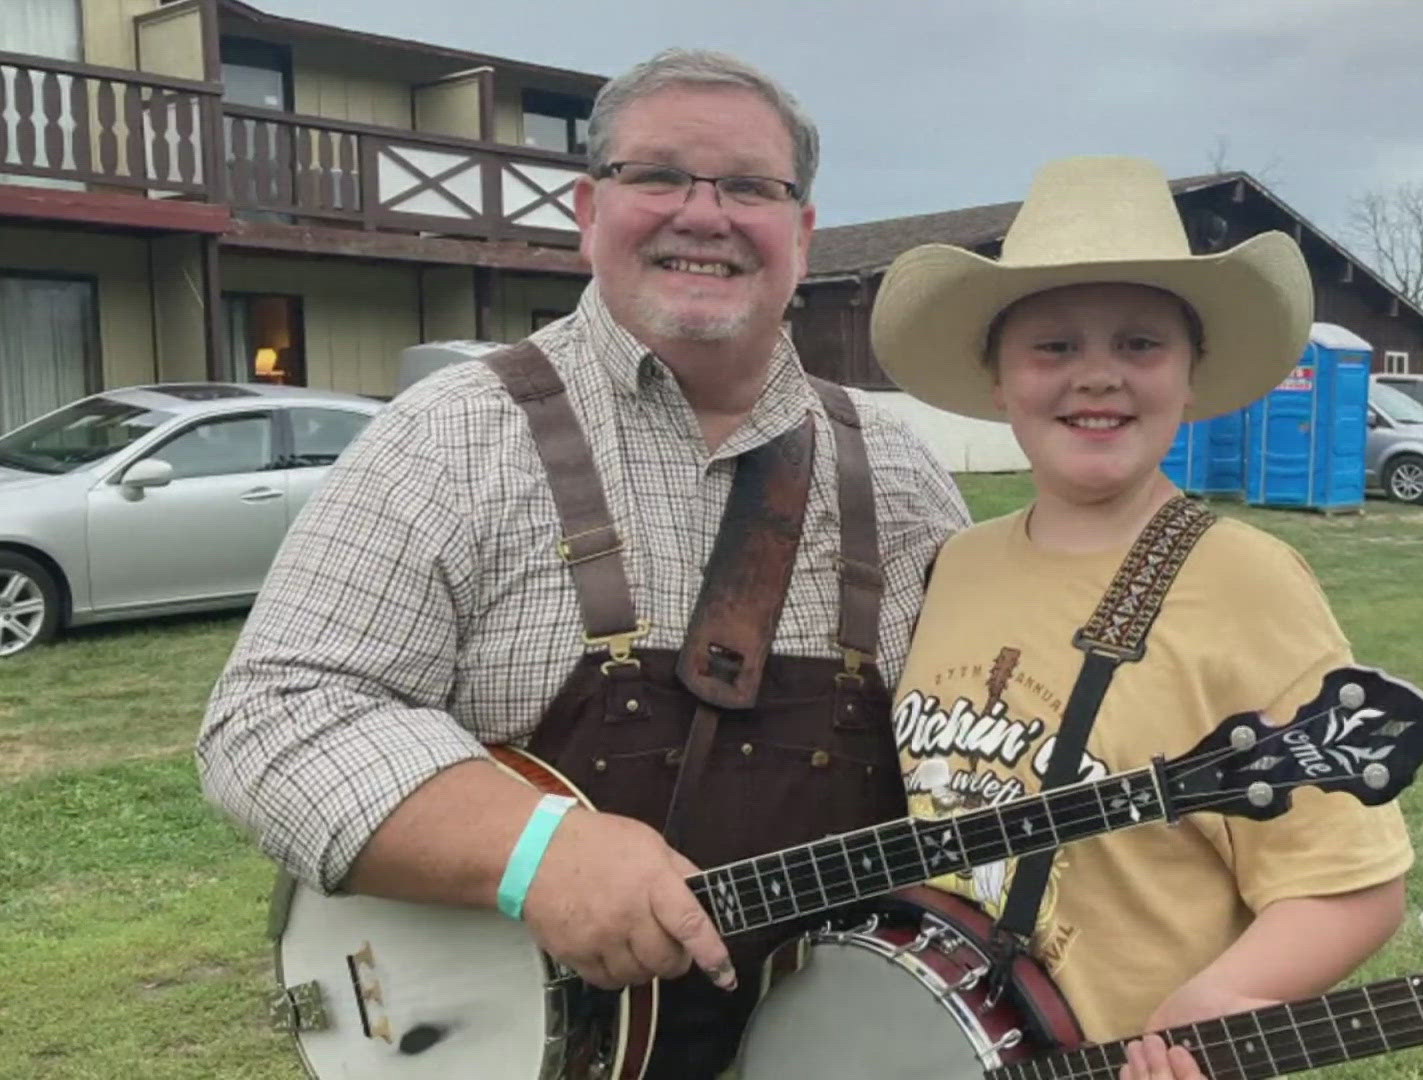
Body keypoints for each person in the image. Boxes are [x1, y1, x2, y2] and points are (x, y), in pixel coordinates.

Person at [198, 48, 968, 1078]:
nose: (704, 214)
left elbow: (987, 752)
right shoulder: (450, 437)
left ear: (803, 231)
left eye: (750, 187)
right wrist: (537, 850)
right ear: (589, 209)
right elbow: (274, 716)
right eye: (659, 175)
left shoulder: (901, 473)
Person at [870, 156, 1415, 1080]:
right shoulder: (956, 563)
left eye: (1139, 344)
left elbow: (1354, 885)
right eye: (1053, 347)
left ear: (1191, 375)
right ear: (998, 379)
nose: (1097, 378)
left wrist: (1227, 996)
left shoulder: (1246, 582)